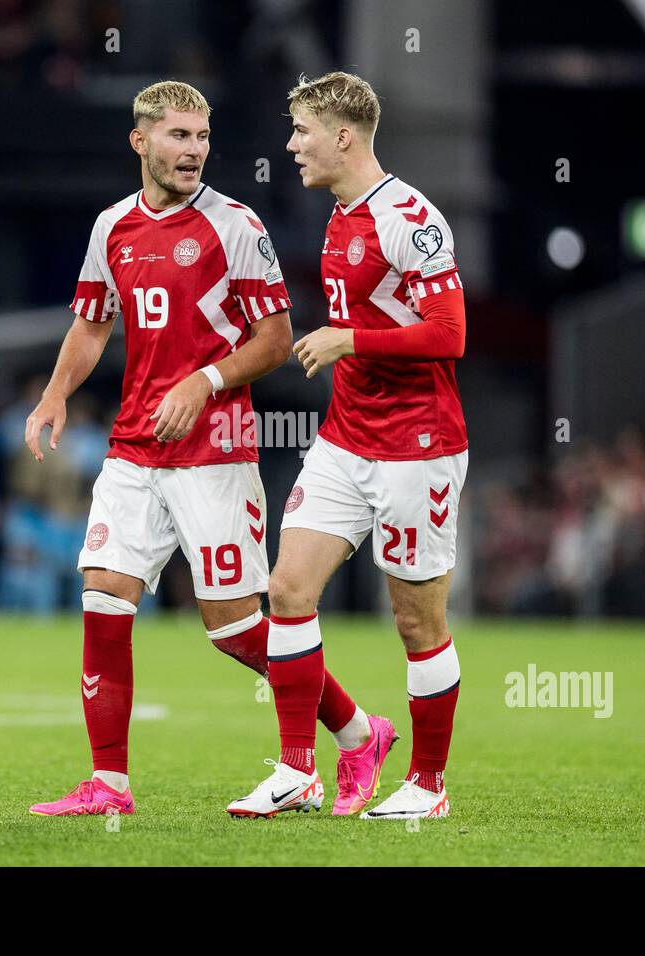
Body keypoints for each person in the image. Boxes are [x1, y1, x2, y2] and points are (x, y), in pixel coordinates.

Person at [24, 80, 388, 817]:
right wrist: (57, 393)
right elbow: (93, 323)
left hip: (215, 453)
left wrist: (205, 380)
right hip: (134, 448)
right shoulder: (112, 229)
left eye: (201, 138)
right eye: (179, 137)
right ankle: (110, 784)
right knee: (103, 592)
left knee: (237, 630)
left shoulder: (236, 226)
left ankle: (358, 731)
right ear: (141, 142)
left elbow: (277, 340)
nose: (194, 151)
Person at [229, 72, 468, 820]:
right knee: (288, 590)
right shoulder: (337, 216)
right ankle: (298, 770)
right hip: (344, 438)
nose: (292, 144)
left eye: (302, 130)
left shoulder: (410, 217)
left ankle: (428, 787)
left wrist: (349, 339)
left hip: (416, 444)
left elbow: (451, 333)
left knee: (416, 623)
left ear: (344, 136)